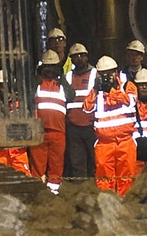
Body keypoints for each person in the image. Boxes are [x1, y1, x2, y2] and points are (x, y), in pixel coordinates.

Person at [84, 56, 140, 195]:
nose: (107, 77)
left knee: (126, 177)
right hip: (104, 143)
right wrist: (95, 90)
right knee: (104, 178)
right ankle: (106, 206)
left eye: (110, 73)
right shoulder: (97, 92)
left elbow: (131, 101)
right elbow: (87, 108)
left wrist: (111, 91)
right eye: (103, 74)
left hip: (125, 141)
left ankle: (125, 204)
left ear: (116, 72)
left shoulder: (127, 86)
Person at [31, 49, 69, 193]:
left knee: (56, 166)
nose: (50, 70)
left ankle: (54, 194)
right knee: (38, 167)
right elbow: (28, 97)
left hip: (58, 132)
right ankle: (38, 193)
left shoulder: (61, 85)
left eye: (53, 66)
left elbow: (71, 95)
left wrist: (63, 79)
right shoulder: (37, 84)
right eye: (47, 66)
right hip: (39, 132)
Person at [63, 42, 97, 179]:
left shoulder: (95, 74)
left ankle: (95, 189)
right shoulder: (68, 77)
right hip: (73, 126)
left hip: (91, 124)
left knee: (94, 161)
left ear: (86, 57)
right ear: (71, 59)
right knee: (77, 162)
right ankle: (81, 190)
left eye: (82, 55)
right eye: (75, 56)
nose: (79, 59)